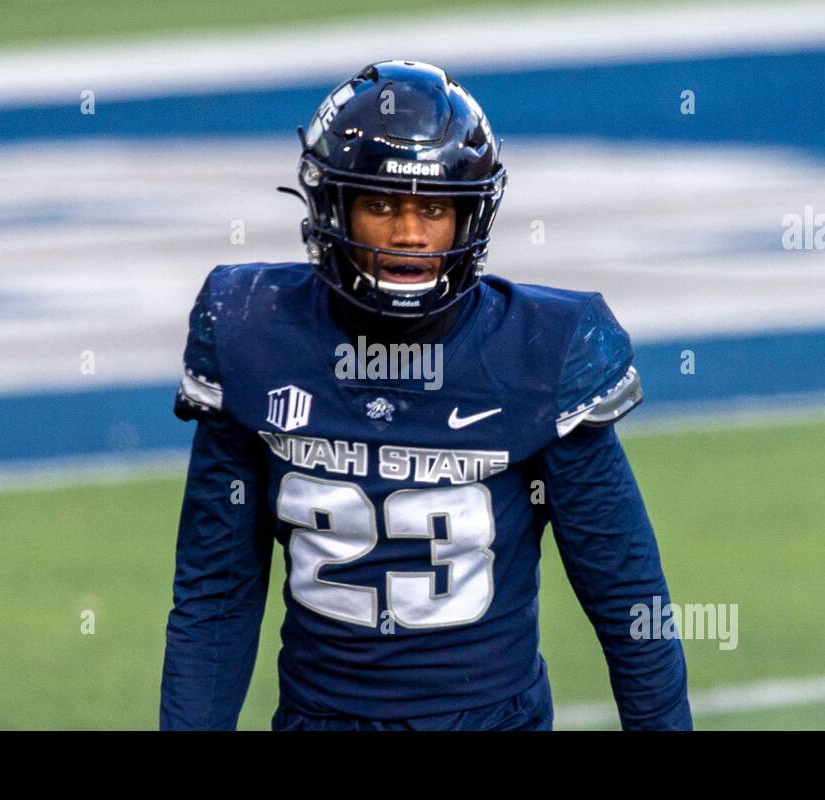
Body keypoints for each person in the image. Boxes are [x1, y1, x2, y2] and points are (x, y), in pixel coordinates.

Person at [160, 60, 692, 731]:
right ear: (333, 205)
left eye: (433, 208)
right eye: (381, 204)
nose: (409, 233)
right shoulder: (252, 335)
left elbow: (628, 601)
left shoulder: (539, 355)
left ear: (467, 216)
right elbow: (216, 595)